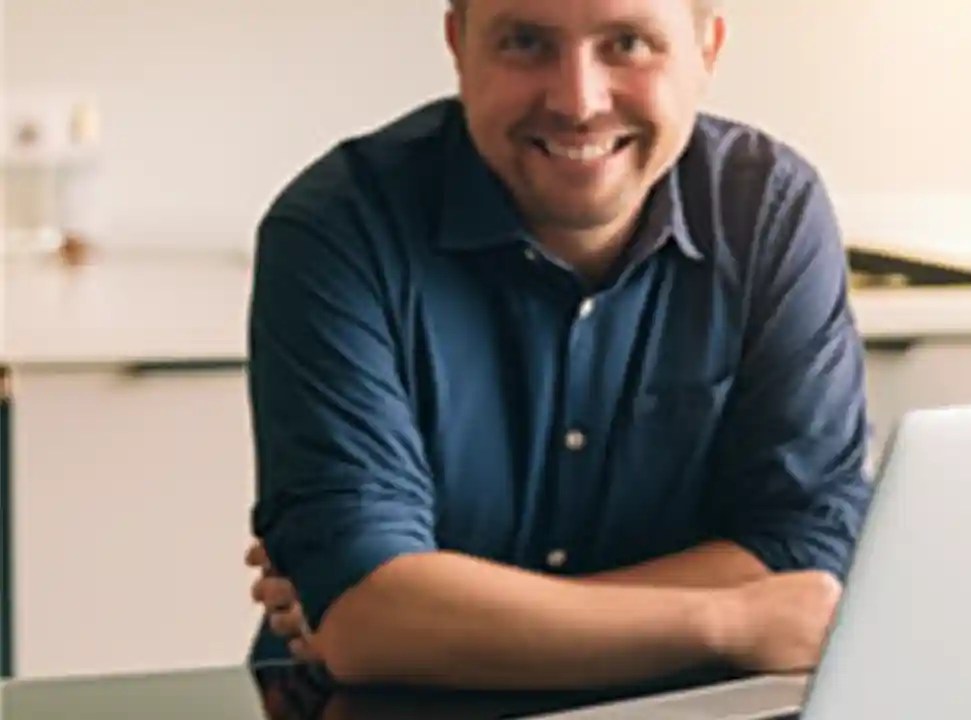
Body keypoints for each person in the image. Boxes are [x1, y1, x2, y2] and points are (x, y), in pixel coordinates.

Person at [244, 0, 875, 690]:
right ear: (459, 44)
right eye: (525, 42)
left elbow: (808, 550)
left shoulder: (767, 211)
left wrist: (434, 615)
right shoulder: (338, 229)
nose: (579, 101)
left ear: (707, 50)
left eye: (629, 43)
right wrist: (728, 622)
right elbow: (372, 616)